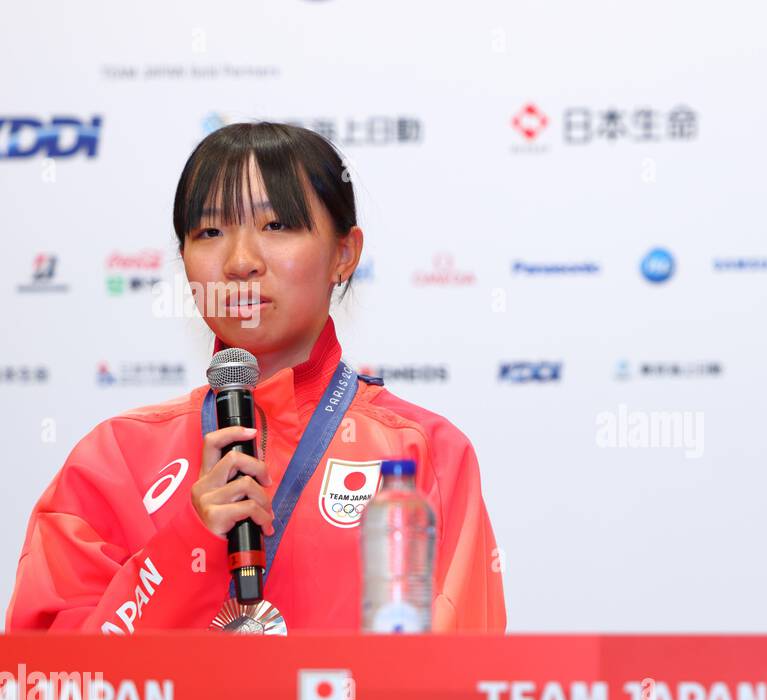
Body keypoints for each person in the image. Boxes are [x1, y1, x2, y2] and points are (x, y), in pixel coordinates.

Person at [6, 122, 506, 633]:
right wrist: (188, 543)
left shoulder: (424, 454)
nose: (240, 262)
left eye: (276, 225)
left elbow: (461, 671)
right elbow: (54, 674)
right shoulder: (114, 460)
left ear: (344, 254)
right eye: (210, 232)